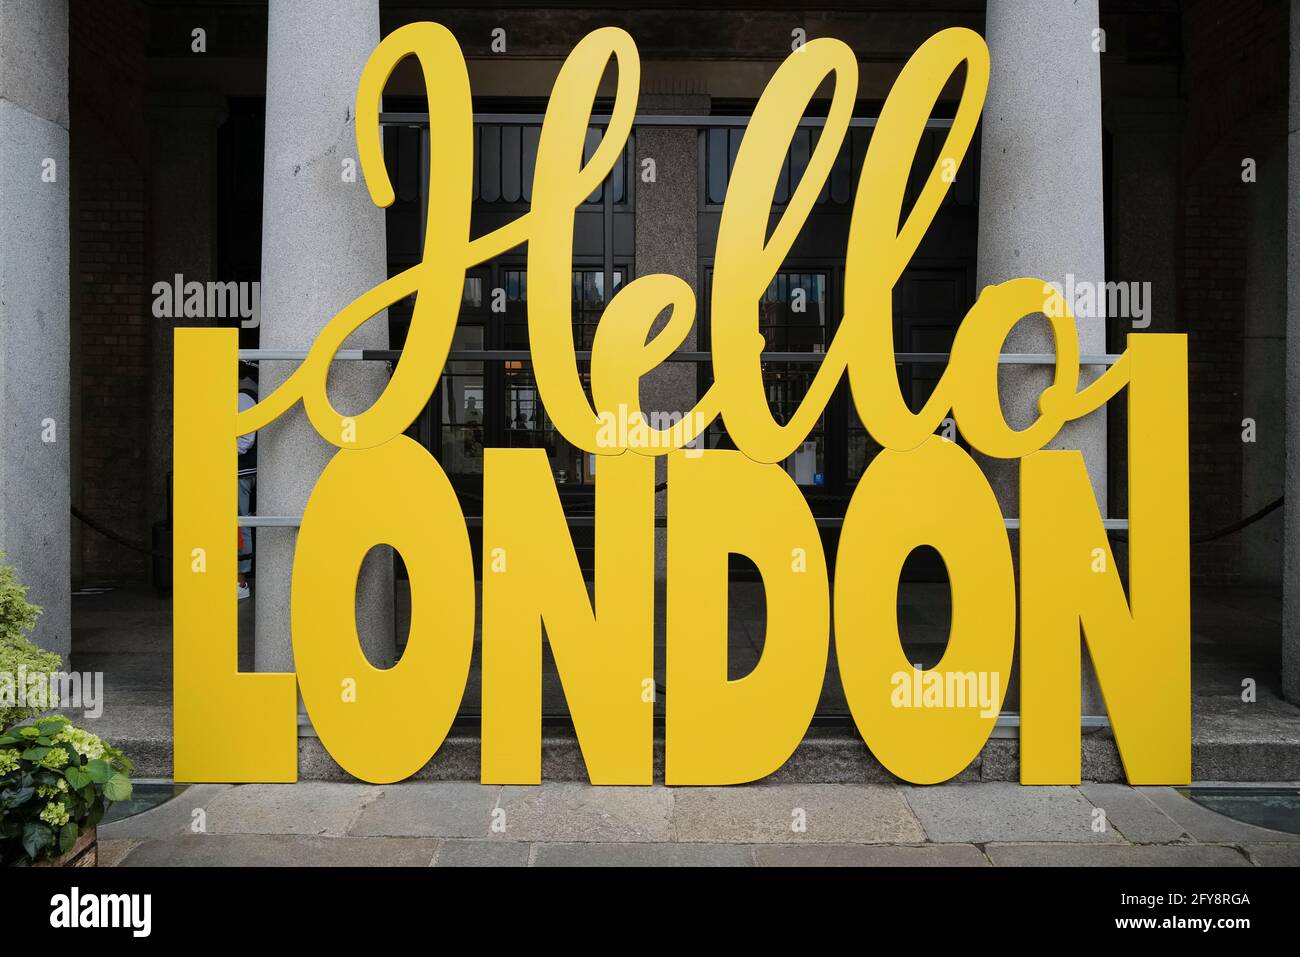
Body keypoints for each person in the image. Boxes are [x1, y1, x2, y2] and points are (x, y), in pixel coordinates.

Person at [237, 385, 257, 599]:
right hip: (235, 470)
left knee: (240, 524)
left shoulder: (242, 397)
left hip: (240, 471)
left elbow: (246, 440)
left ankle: (240, 581)